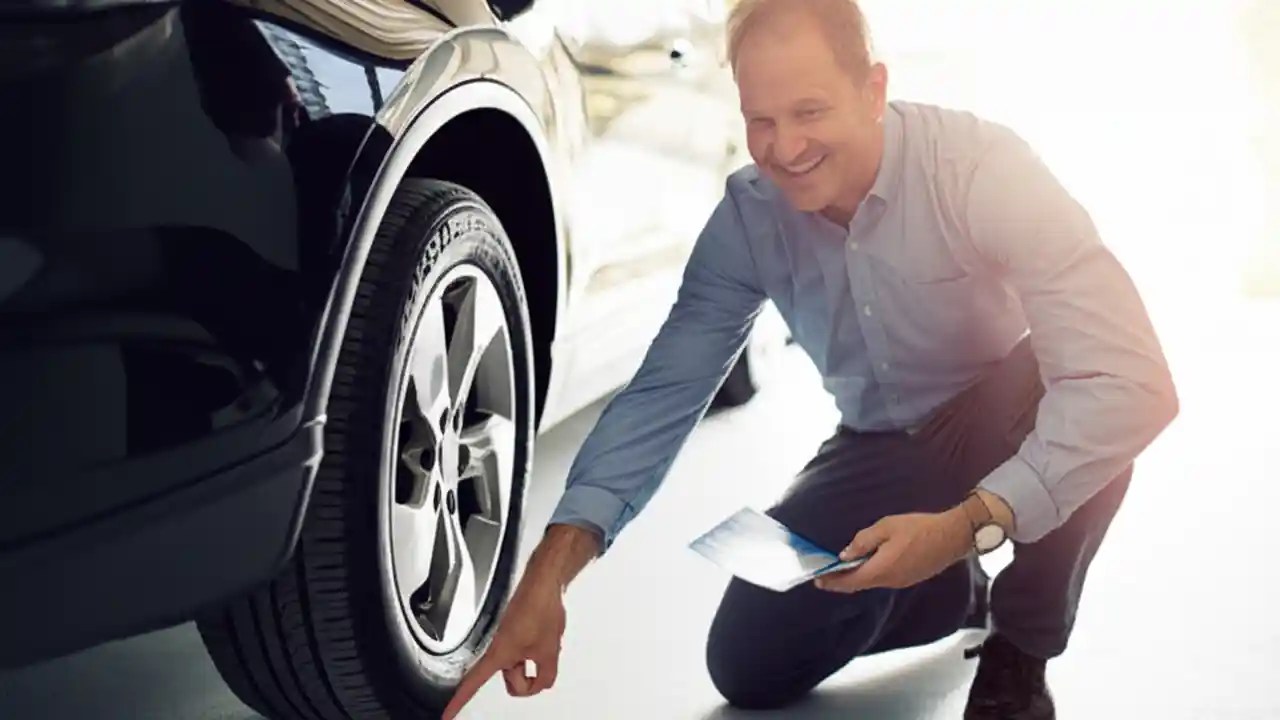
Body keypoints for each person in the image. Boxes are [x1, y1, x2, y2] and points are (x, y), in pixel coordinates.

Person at [443, 0, 1178, 717]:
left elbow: (1132, 379)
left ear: (874, 89)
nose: (783, 148)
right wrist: (550, 576)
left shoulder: (981, 167)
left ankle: (1020, 642)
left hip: (1004, 410)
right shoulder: (747, 218)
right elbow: (662, 395)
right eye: (760, 120)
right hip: (879, 446)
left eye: (810, 112)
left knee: (1085, 391)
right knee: (748, 663)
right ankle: (954, 591)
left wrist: (967, 524)